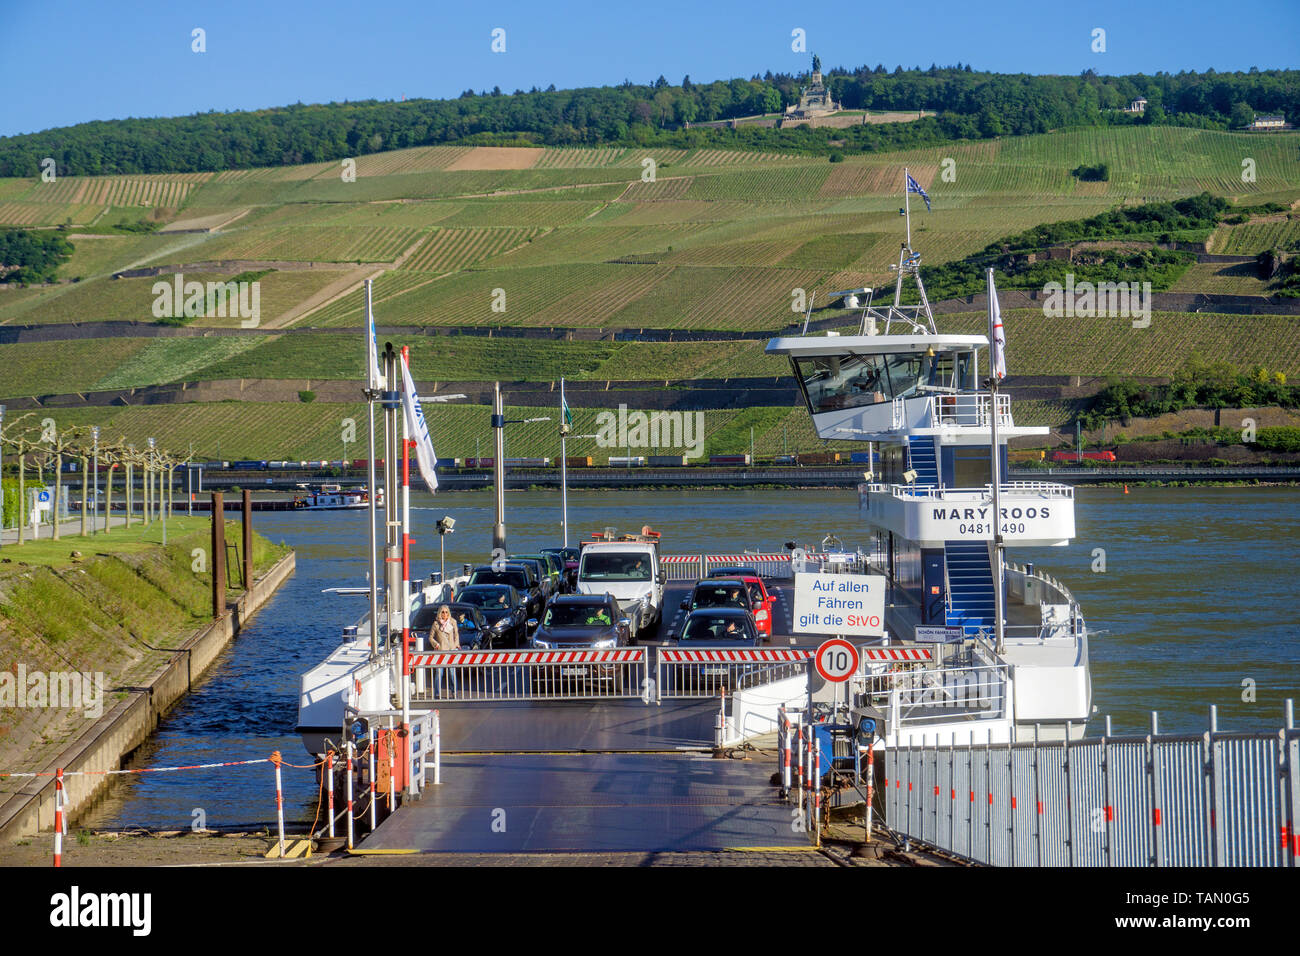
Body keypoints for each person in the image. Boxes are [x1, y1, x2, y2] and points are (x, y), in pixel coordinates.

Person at [431, 605, 460, 698]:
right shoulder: (436, 624)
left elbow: (456, 635)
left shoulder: (453, 622)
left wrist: (455, 645)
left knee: (452, 673)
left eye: (446, 612)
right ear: (439, 613)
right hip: (441, 652)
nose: (445, 614)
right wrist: (436, 644)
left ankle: (454, 692)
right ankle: (437, 693)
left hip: (451, 651)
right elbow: (430, 637)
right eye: (443, 612)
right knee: (439, 673)